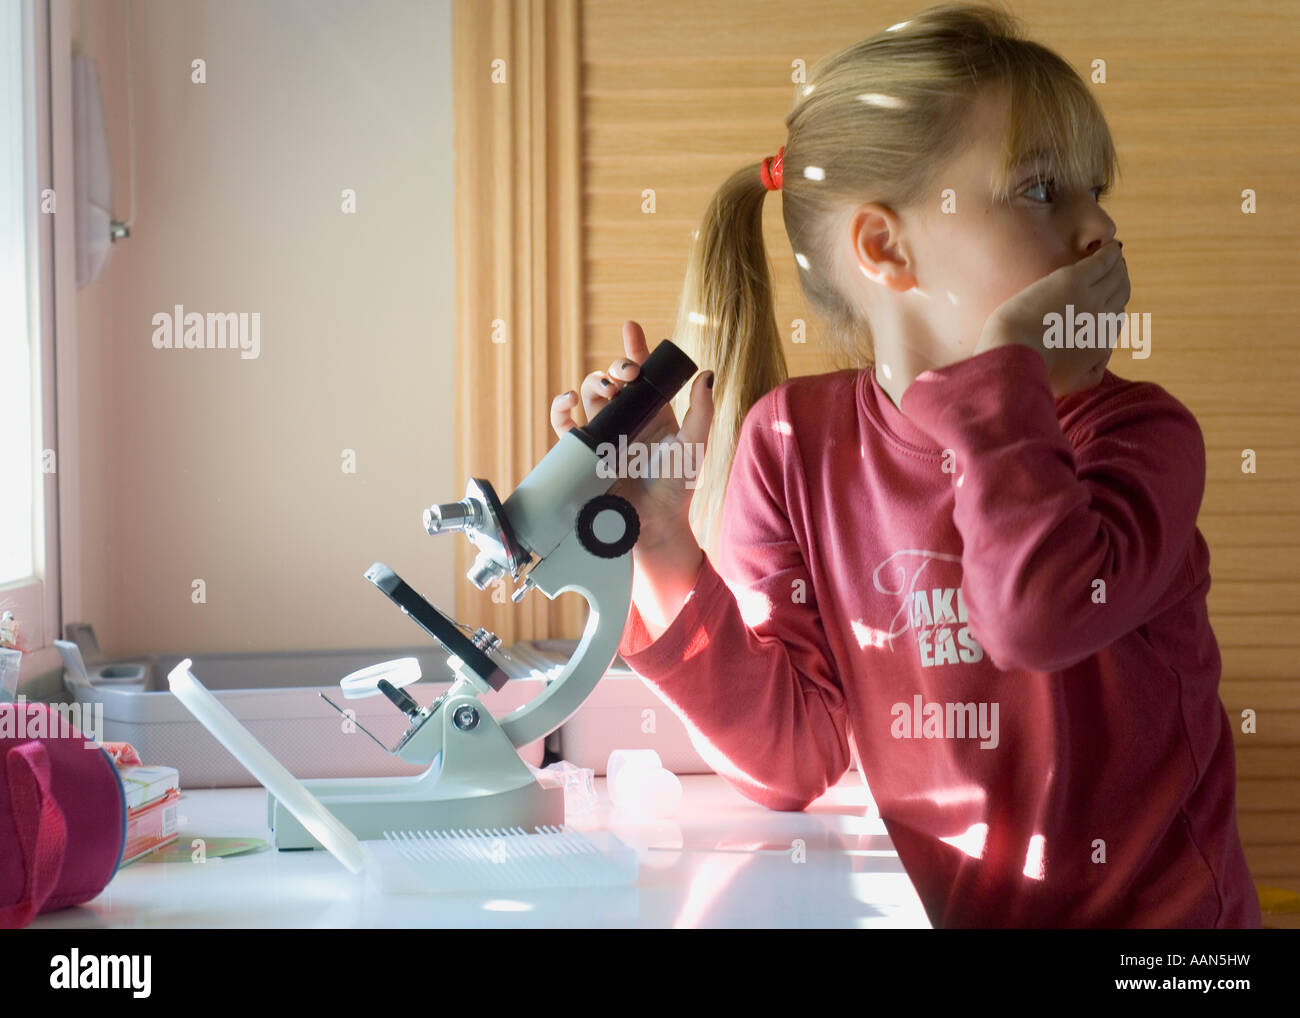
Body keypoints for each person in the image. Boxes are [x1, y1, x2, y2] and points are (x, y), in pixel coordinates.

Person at [550, 2, 1261, 929]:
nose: (1099, 228)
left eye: (1096, 190)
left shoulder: (1141, 435)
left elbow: (1037, 615)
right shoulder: (792, 445)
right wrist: (660, 540)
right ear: (885, 248)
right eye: (1042, 190)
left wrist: (1005, 377)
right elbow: (793, 760)